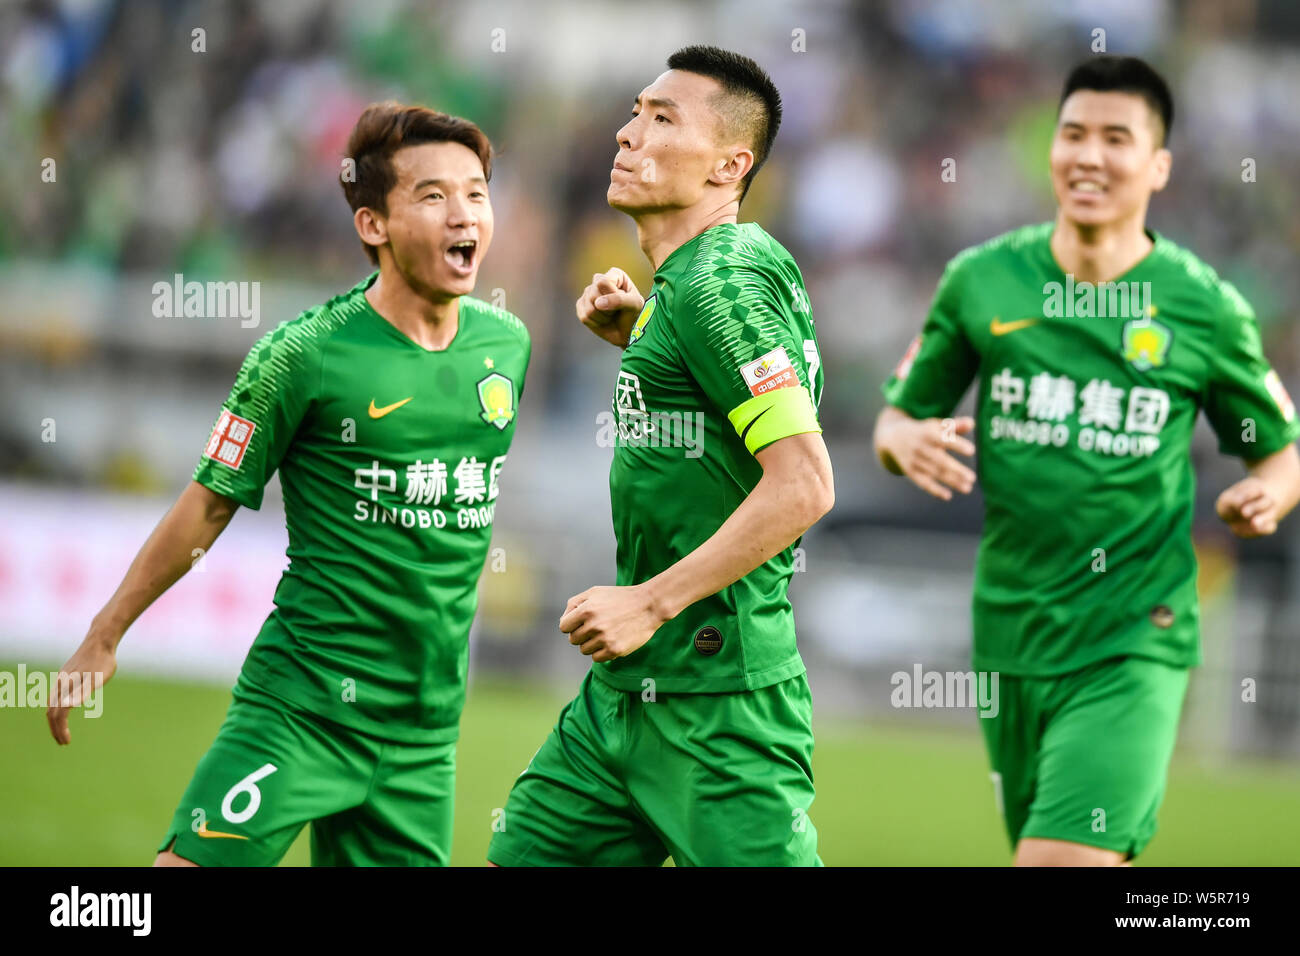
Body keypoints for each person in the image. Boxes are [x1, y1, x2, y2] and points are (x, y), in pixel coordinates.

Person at [47, 102, 531, 866]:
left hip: (425, 732)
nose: (463, 213)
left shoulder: (507, 345)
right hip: (304, 706)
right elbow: (208, 503)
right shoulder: (302, 355)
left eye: (475, 192)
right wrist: (104, 636)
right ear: (372, 224)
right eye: (433, 196)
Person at [873, 55, 1300, 866]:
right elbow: (896, 418)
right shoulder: (982, 281)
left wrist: (1267, 496)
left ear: (1159, 164)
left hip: (1135, 633)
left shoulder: (1203, 306)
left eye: (1116, 137)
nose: (1089, 156)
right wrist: (903, 443)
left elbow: (1280, 454)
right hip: (1011, 636)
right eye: (1073, 134)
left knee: (1060, 861)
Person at [488, 45, 834, 867]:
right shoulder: (695, 291)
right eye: (635, 113)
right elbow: (728, 426)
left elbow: (806, 485)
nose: (626, 134)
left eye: (661, 119)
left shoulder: (720, 286)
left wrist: (649, 603)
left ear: (730, 165)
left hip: (718, 698)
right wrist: (649, 341)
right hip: (625, 693)